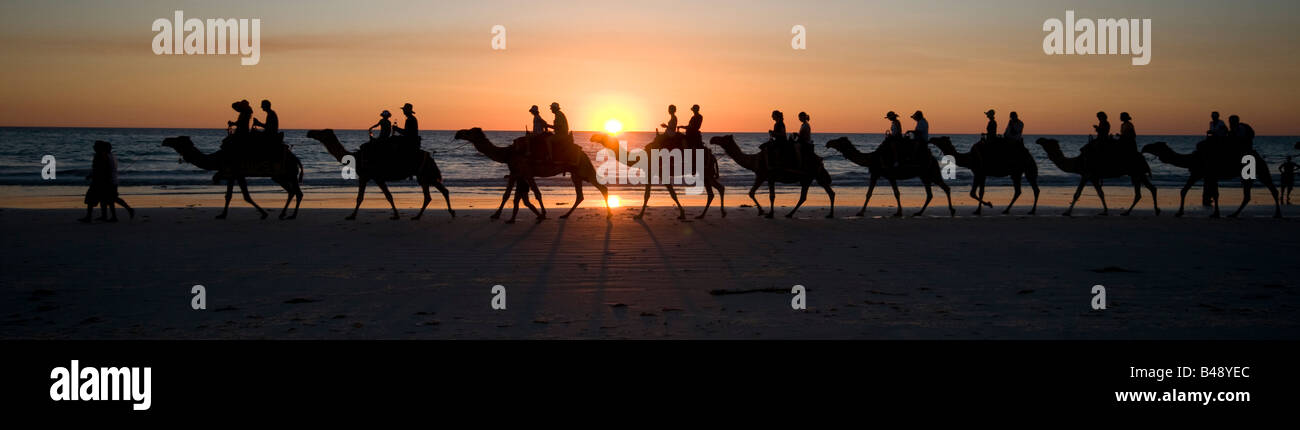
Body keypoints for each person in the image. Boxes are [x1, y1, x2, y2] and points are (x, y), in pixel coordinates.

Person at [79, 141, 133, 223]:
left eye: (96, 146)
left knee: (93, 199)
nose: (94, 147)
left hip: (102, 182)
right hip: (110, 181)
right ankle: (109, 216)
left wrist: (92, 176)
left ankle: (90, 217)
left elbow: (100, 170)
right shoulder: (111, 156)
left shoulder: (101, 156)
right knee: (108, 199)